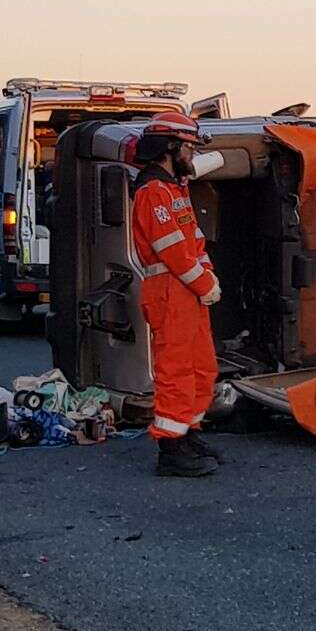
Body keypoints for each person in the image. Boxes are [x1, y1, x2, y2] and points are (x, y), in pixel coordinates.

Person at [131, 111, 222, 477]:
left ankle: (188, 432)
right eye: (188, 147)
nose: (191, 154)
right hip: (170, 289)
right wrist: (204, 283)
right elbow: (171, 249)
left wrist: (206, 276)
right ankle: (171, 448)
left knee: (202, 365)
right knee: (176, 369)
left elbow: (193, 241)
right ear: (170, 148)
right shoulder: (153, 191)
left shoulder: (174, 189)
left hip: (186, 288)